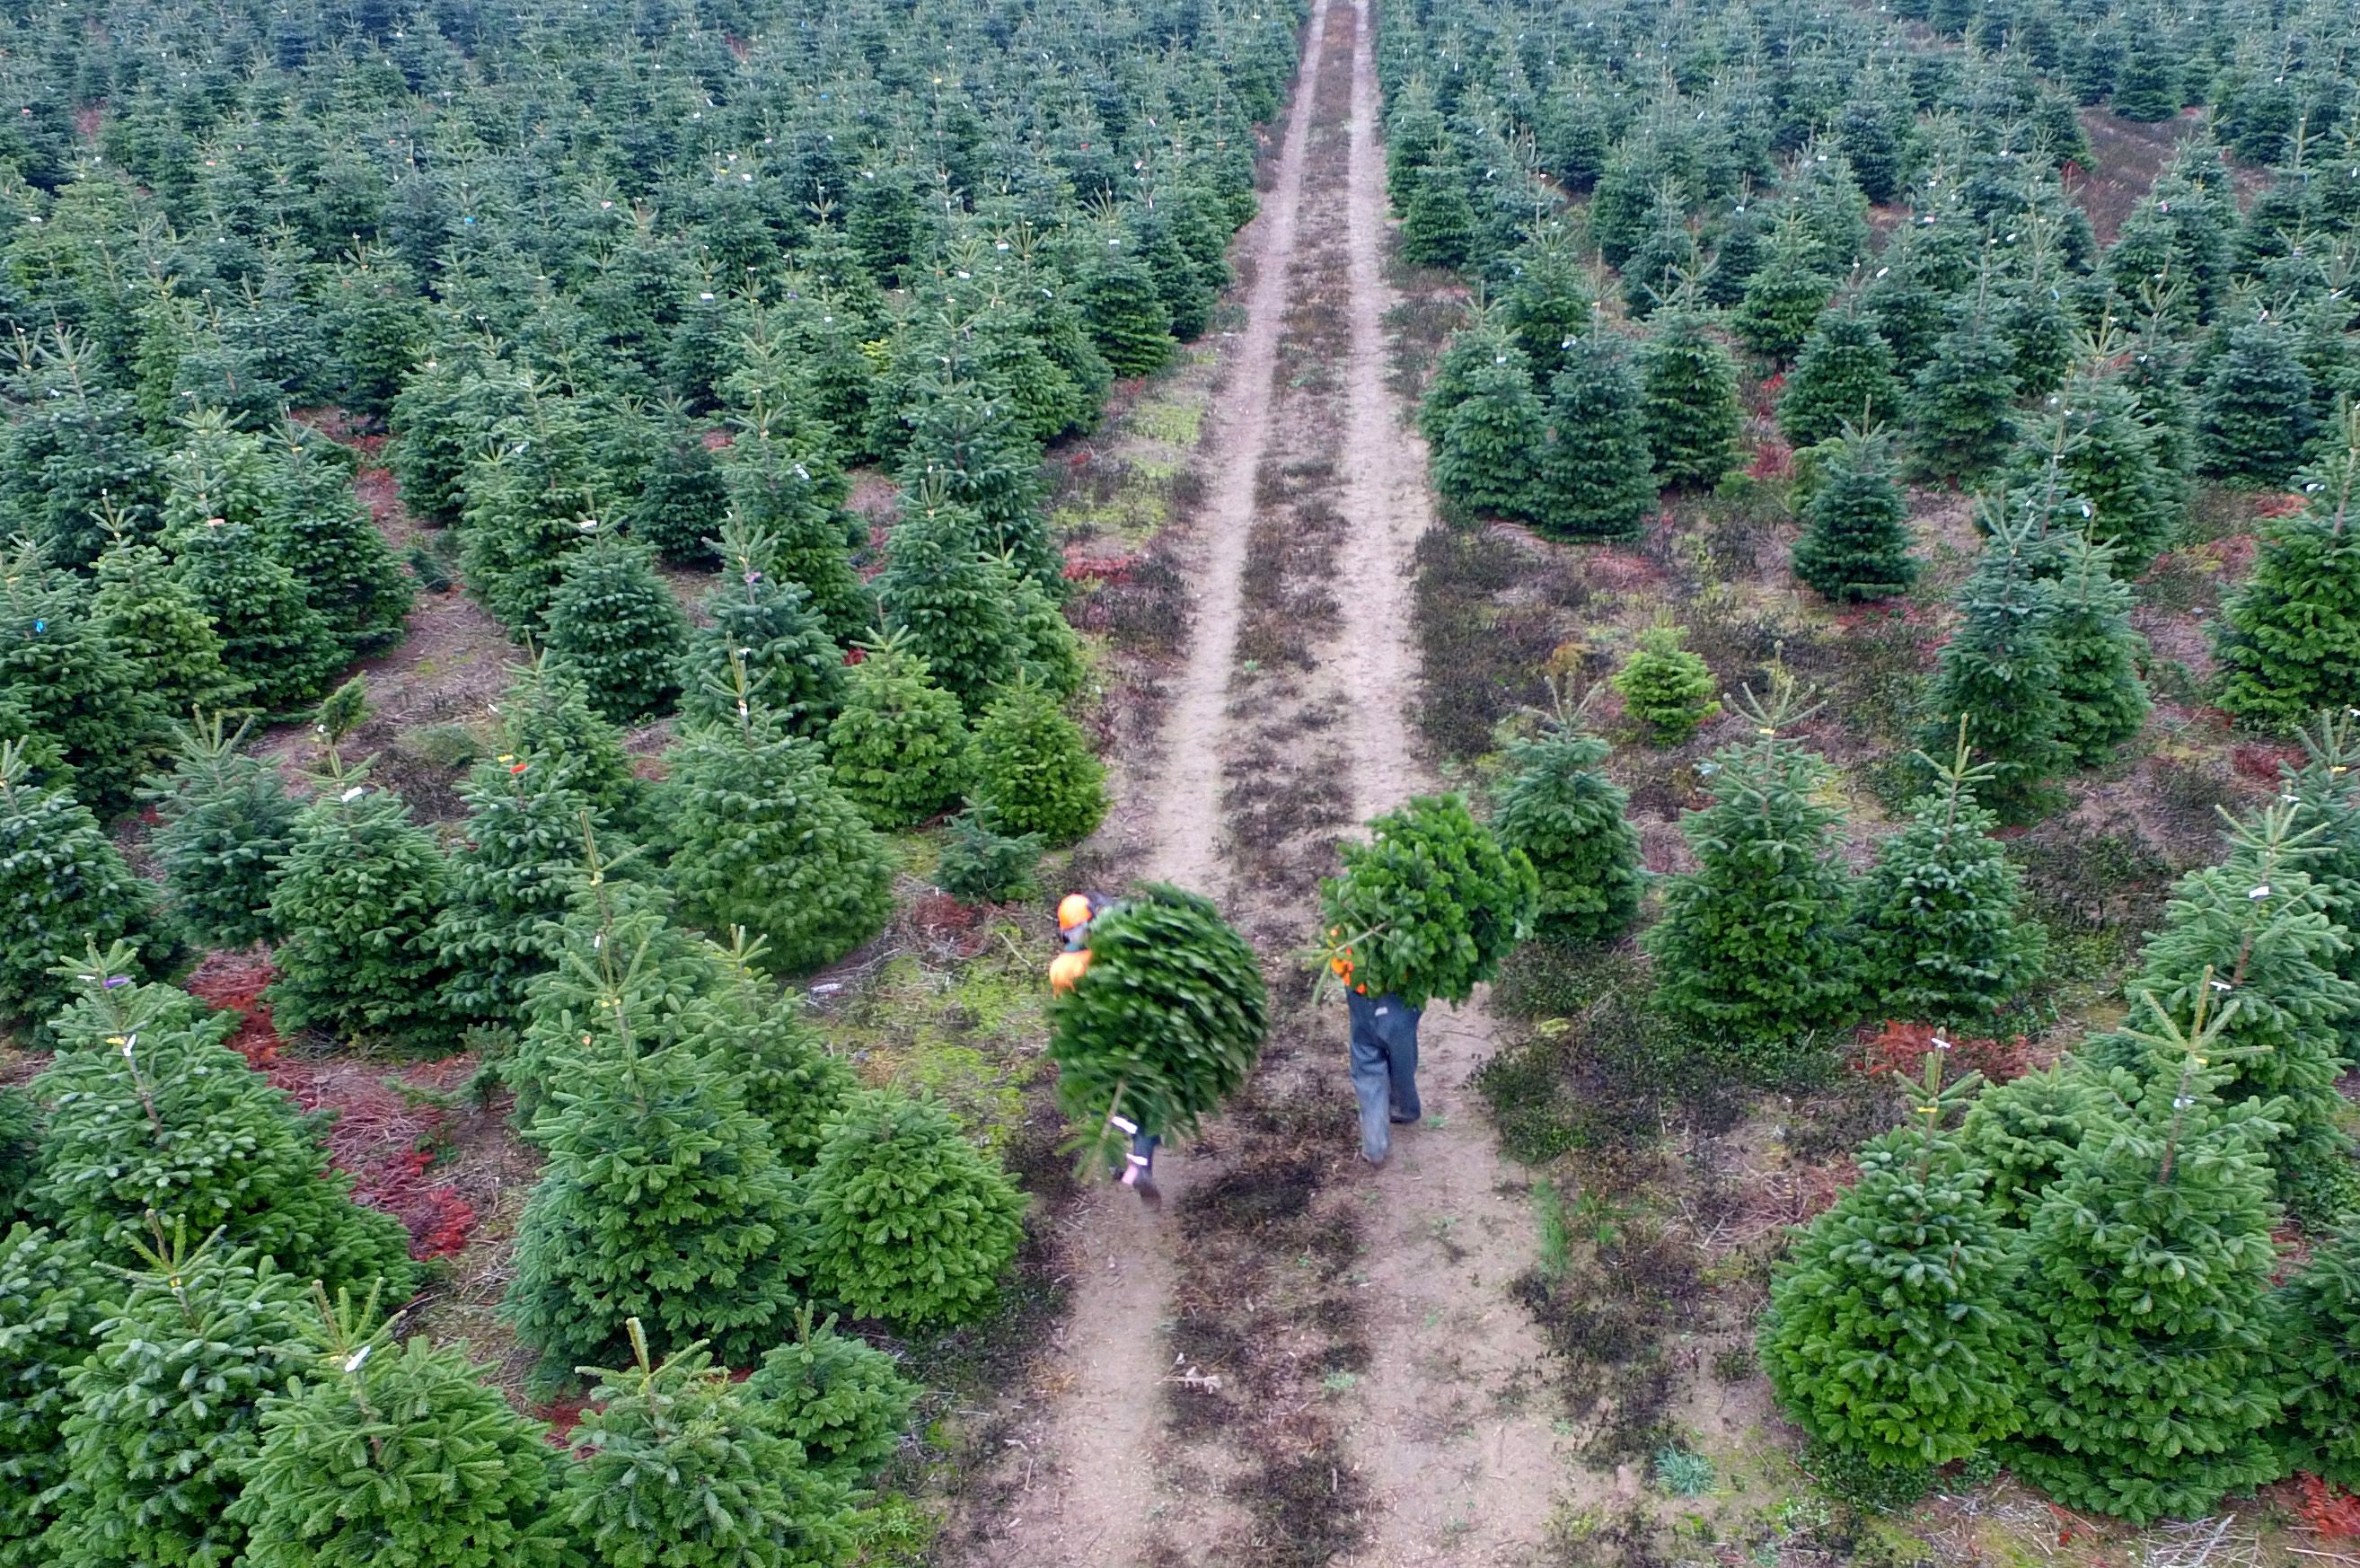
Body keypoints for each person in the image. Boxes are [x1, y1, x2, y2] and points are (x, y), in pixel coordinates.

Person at [1052, 891, 1162, 1206]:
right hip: (1124, 1042)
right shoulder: (1107, 958)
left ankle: (1115, 1161)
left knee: (1106, 1107)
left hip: (1086, 1049)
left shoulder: (1060, 968)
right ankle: (1140, 1167)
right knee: (1148, 1105)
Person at [1329, 937, 1422, 1167]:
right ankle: (1405, 1107)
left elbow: (1336, 954)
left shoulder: (1349, 926)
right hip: (1401, 998)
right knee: (1403, 1060)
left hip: (1363, 1001)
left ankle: (1375, 1146)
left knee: (1368, 1067)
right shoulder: (1411, 931)